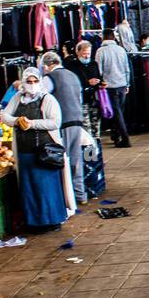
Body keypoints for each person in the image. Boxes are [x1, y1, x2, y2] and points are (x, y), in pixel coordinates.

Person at [1, 67, 70, 231]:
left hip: (44, 152)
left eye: (35, 81)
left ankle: (52, 220)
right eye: (29, 81)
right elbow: (5, 116)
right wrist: (17, 120)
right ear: (24, 82)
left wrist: (32, 123)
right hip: (25, 153)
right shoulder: (18, 98)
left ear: (40, 82)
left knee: (47, 188)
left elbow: (55, 122)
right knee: (29, 189)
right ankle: (34, 222)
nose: (32, 84)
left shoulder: (48, 99)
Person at [41, 52, 89, 208]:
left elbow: (41, 96)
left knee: (64, 160)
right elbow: (79, 98)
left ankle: (67, 198)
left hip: (64, 122)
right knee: (76, 159)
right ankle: (80, 194)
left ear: (47, 65)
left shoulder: (50, 78)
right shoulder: (72, 75)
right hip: (77, 119)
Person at [96, 28, 132, 148]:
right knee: (119, 112)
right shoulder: (121, 50)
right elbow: (127, 68)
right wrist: (127, 84)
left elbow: (98, 70)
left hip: (109, 86)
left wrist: (100, 83)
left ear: (103, 37)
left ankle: (125, 138)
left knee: (116, 113)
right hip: (122, 84)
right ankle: (116, 135)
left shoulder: (100, 51)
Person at [66, 39, 104, 143]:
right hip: (81, 101)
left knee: (96, 129)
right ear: (78, 52)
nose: (87, 56)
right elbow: (72, 83)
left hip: (94, 100)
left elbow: (99, 77)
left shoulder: (93, 64)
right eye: (84, 53)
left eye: (88, 53)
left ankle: (97, 156)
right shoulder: (71, 66)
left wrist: (101, 83)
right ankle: (90, 156)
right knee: (86, 130)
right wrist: (87, 82)